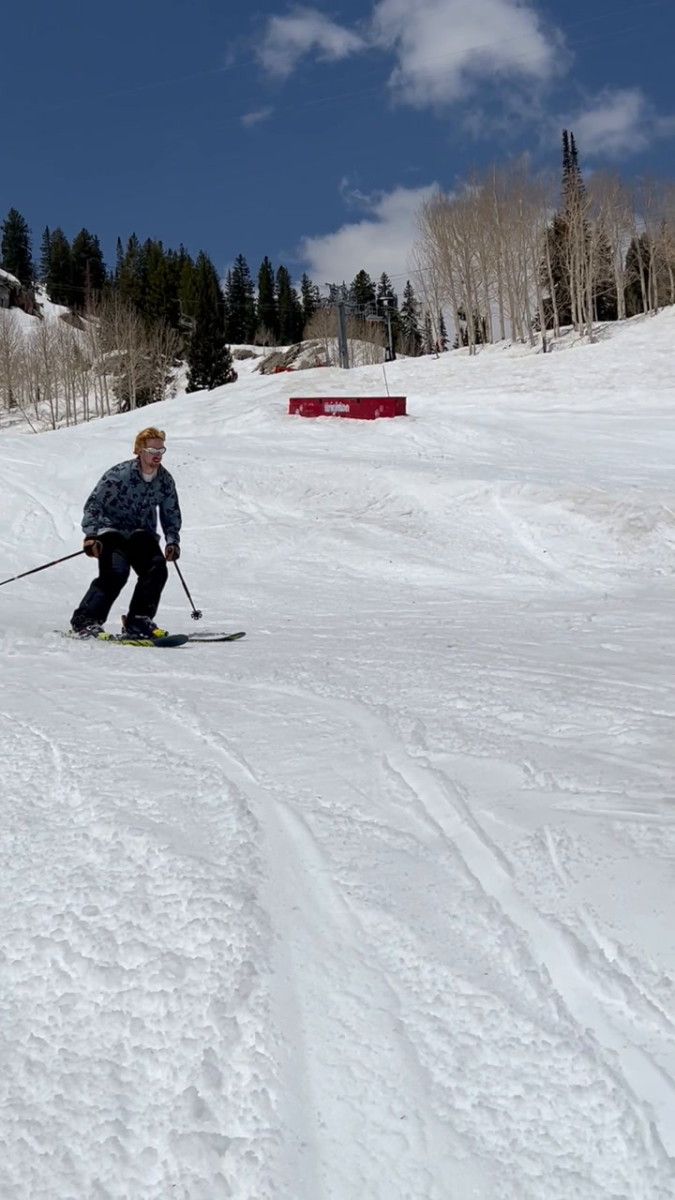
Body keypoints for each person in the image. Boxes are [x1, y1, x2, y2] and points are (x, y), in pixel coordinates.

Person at [70, 427, 182, 638]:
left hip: (141, 533)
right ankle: (86, 620)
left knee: (156, 568)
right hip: (112, 530)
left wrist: (172, 541)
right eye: (152, 449)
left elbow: (171, 513)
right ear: (140, 450)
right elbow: (94, 504)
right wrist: (91, 535)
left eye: (161, 450)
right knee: (116, 573)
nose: (157, 454)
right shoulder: (119, 475)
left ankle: (138, 621)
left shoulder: (164, 480)